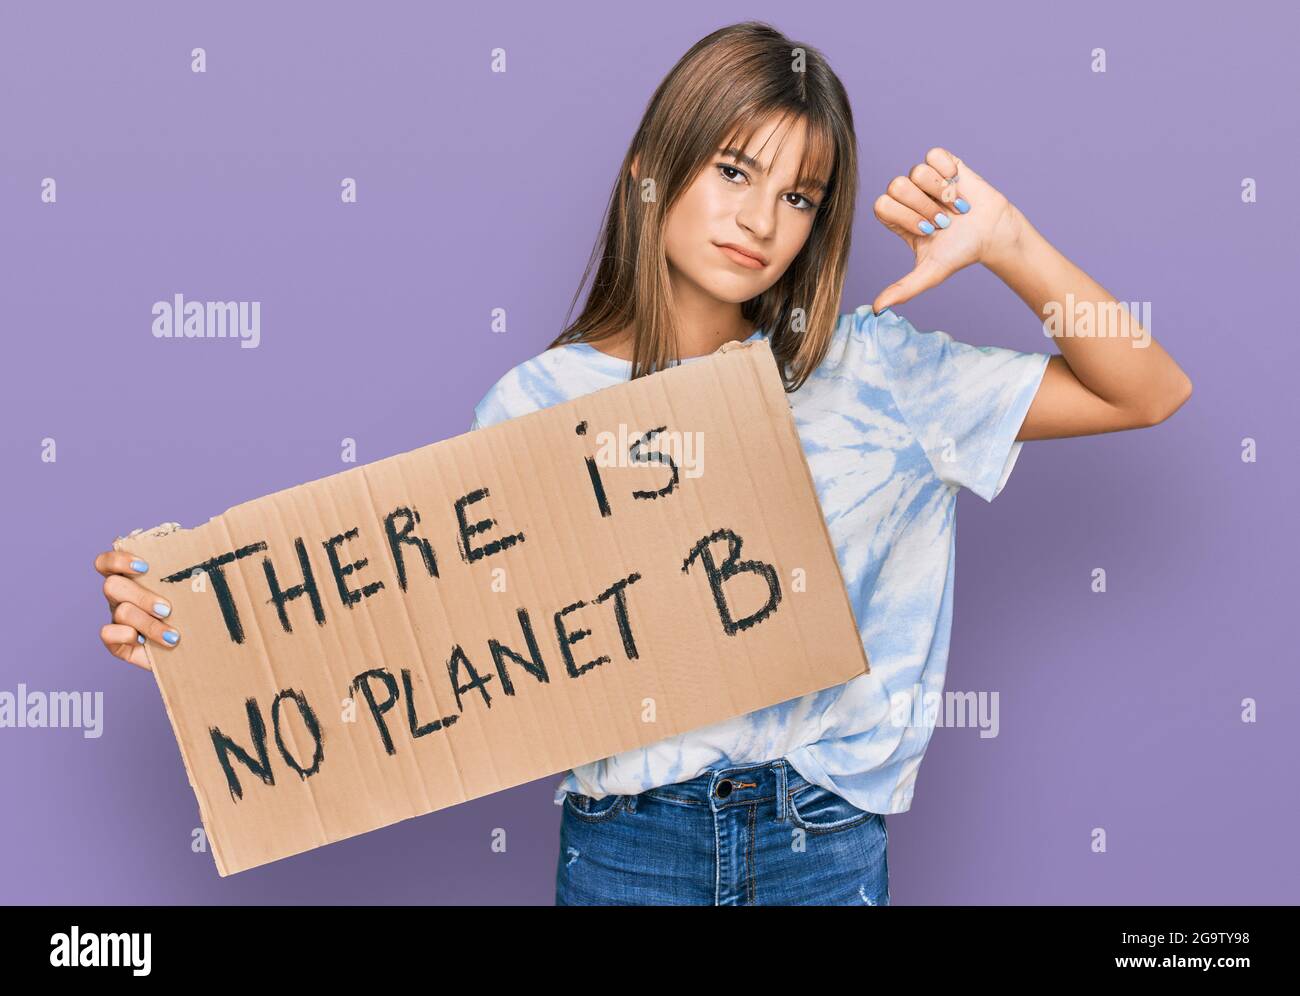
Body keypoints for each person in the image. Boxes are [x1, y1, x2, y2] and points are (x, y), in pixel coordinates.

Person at [92, 21, 1192, 906]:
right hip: (627, 848)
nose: (760, 219)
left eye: (799, 196)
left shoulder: (872, 375)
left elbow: (1147, 390)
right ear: (651, 169)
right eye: (732, 170)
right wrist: (211, 640)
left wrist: (1006, 239)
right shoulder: (534, 406)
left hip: (823, 840)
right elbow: (431, 646)